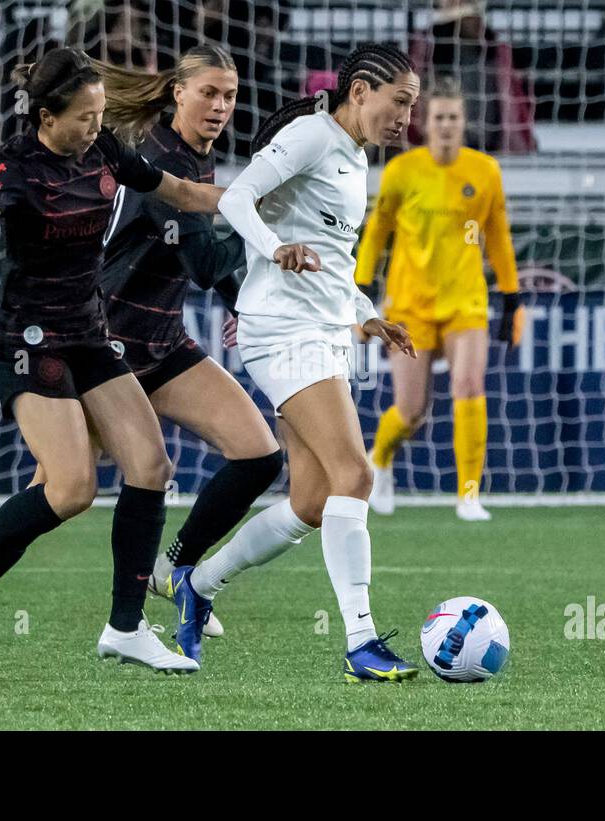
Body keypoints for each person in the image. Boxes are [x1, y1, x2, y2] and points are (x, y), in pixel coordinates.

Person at [0, 47, 223, 672]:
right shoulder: (20, 163)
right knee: (73, 487)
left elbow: (179, 192)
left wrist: (256, 201)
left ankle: (127, 627)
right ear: (47, 116)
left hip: (88, 334)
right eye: (85, 116)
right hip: (29, 343)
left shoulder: (106, 149)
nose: (95, 126)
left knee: (149, 463)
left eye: (101, 114)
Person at [27, 44, 281, 658]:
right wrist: (265, 227)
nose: (220, 106)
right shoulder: (161, 161)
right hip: (107, 339)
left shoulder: (197, 155)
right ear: (178, 94)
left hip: (161, 341)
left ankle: (176, 571)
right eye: (208, 93)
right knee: (61, 491)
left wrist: (239, 300)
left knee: (257, 455)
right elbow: (204, 260)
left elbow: (204, 262)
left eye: (229, 95)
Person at [184, 43, 422, 682]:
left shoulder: (353, 157)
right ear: (362, 91)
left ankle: (198, 584)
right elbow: (236, 201)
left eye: (412, 106)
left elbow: (335, 264)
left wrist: (365, 313)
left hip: (324, 331)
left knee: (315, 500)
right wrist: (273, 247)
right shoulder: (312, 136)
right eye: (400, 102)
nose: (405, 117)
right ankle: (362, 644)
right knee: (357, 475)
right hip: (283, 331)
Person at [354, 76, 521, 522]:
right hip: (409, 304)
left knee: (470, 386)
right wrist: (362, 290)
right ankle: (380, 463)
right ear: (424, 122)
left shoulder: (485, 171)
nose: (446, 125)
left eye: (454, 118)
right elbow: (376, 235)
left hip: (466, 301)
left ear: (464, 122)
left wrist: (513, 298)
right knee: (411, 411)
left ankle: (468, 494)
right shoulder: (401, 172)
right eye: (439, 117)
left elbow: (499, 240)